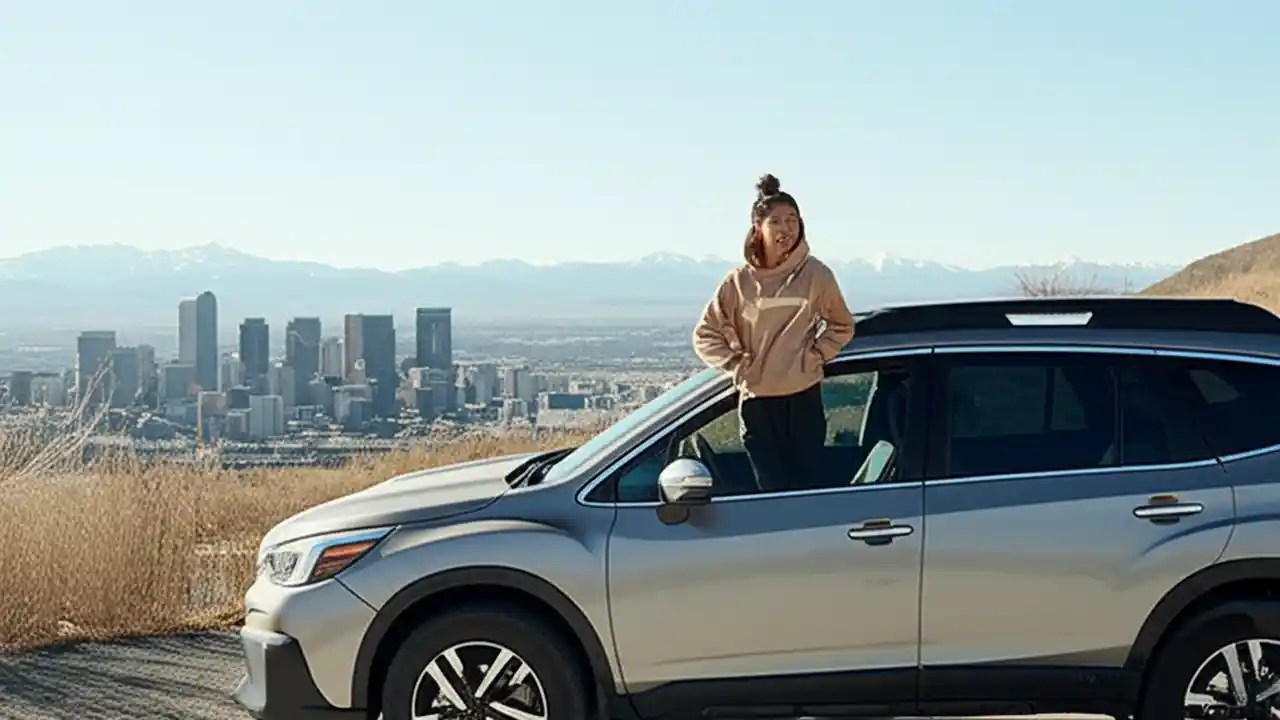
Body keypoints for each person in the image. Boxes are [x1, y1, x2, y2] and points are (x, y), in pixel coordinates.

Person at [692, 173, 855, 492]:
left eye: (793, 220)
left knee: (807, 489)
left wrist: (818, 354)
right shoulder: (738, 283)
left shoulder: (816, 275)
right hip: (758, 403)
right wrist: (736, 364)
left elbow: (841, 325)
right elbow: (705, 334)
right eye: (777, 221)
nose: (787, 229)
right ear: (758, 228)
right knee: (772, 492)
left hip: (804, 397)